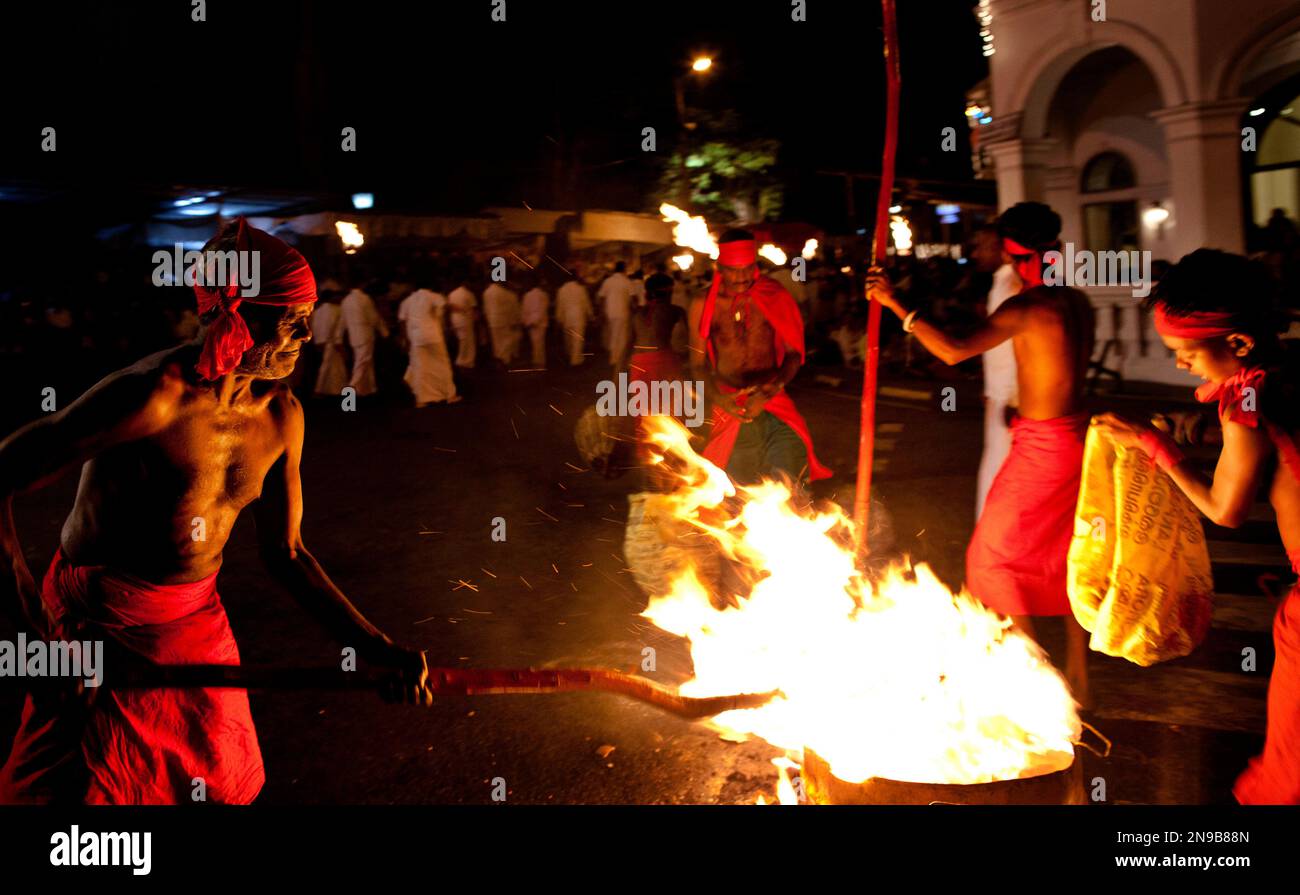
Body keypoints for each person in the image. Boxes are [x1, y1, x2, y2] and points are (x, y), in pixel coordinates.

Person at [0, 219, 430, 804]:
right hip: (101, 628)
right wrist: (36, 645)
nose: (306, 334)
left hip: (195, 624)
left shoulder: (282, 416)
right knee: (82, 795)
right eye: (289, 317)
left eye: (306, 316)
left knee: (213, 778)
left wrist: (373, 645)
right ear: (234, 311)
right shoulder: (153, 398)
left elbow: (287, 553)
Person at [868, 202, 1095, 704]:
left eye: (1012, 257)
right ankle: (1079, 673)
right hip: (1074, 435)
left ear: (1021, 256)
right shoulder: (1077, 302)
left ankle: (1042, 682)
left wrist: (896, 306)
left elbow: (953, 351)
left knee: (990, 559)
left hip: (1044, 445)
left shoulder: (1027, 306)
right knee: (1060, 552)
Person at [1094, 249, 1300, 804]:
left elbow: (1226, 510)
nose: (1181, 365)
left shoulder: (1244, 402)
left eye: (1186, 352)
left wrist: (1156, 447)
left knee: (1290, 769)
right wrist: (1202, 435)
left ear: (1237, 343)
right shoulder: (1283, 373)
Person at [689, 230, 831, 490]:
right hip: (729, 405)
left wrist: (769, 391)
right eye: (734, 270)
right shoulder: (702, 303)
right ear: (719, 267)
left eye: (748, 268)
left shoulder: (773, 294)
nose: (742, 277)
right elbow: (697, 365)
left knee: (789, 486)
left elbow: (793, 354)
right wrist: (719, 399)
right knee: (735, 495)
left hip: (773, 401)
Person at [971, 227, 1023, 519]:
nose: (976, 253)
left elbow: (1020, 350)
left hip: (1011, 400)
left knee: (1001, 478)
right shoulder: (1001, 283)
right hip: (999, 396)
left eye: (982, 247)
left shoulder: (1013, 287)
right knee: (994, 474)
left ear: (1002, 250)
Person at [398, 281, 460, 406]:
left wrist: (405, 339)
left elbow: (402, 322)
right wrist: (456, 308)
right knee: (442, 364)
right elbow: (446, 305)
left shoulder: (407, 301)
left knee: (421, 368)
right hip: (433, 336)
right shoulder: (433, 296)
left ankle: (421, 400)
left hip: (416, 338)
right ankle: (450, 395)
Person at [341, 282, 388, 396]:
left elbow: (344, 321)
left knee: (364, 361)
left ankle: (368, 389)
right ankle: (350, 392)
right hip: (365, 335)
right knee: (362, 362)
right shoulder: (364, 299)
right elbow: (373, 318)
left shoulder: (345, 300)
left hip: (354, 336)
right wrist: (384, 332)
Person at [311, 283, 348, 397]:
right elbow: (334, 328)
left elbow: (314, 326)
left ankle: (332, 390)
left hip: (320, 341)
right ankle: (319, 390)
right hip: (331, 342)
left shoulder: (317, 311)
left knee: (333, 367)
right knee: (328, 366)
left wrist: (318, 341)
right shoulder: (337, 310)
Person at [598, 262, 634, 371]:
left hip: (610, 312)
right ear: (624, 270)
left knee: (613, 335)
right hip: (623, 312)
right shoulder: (626, 281)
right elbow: (632, 298)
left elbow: (601, 297)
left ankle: (613, 358)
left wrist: (602, 311)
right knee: (622, 337)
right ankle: (621, 359)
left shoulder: (607, 281)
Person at [555, 269, 593, 366]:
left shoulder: (561, 290)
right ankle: (575, 361)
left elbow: (560, 306)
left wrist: (559, 319)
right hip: (579, 317)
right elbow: (586, 303)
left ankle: (570, 356)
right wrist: (591, 315)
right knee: (577, 341)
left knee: (568, 340)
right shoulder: (581, 289)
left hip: (567, 318)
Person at [481, 278, 521, 367]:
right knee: (505, 340)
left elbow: (485, 309)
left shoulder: (486, 292)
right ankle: (505, 360)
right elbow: (512, 309)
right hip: (504, 320)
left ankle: (499, 358)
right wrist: (514, 321)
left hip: (492, 320)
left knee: (496, 341)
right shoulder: (507, 293)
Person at [447, 278, 478, 369]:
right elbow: (473, 309)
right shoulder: (469, 294)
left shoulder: (452, 294)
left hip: (455, 320)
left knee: (462, 340)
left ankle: (462, 360)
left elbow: (449, 307)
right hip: (465, 320)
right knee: (467, 341)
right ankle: (465, 361)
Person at [521, 277, 550, 368]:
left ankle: (537, 361)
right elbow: (542, 309)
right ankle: (540, 362)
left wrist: (526, 322)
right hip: (541, 322)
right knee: (539, 343)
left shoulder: (527, 295)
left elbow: (524, 310)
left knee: (534, 343)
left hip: (530, 321)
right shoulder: (544, 295)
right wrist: (536, 320)